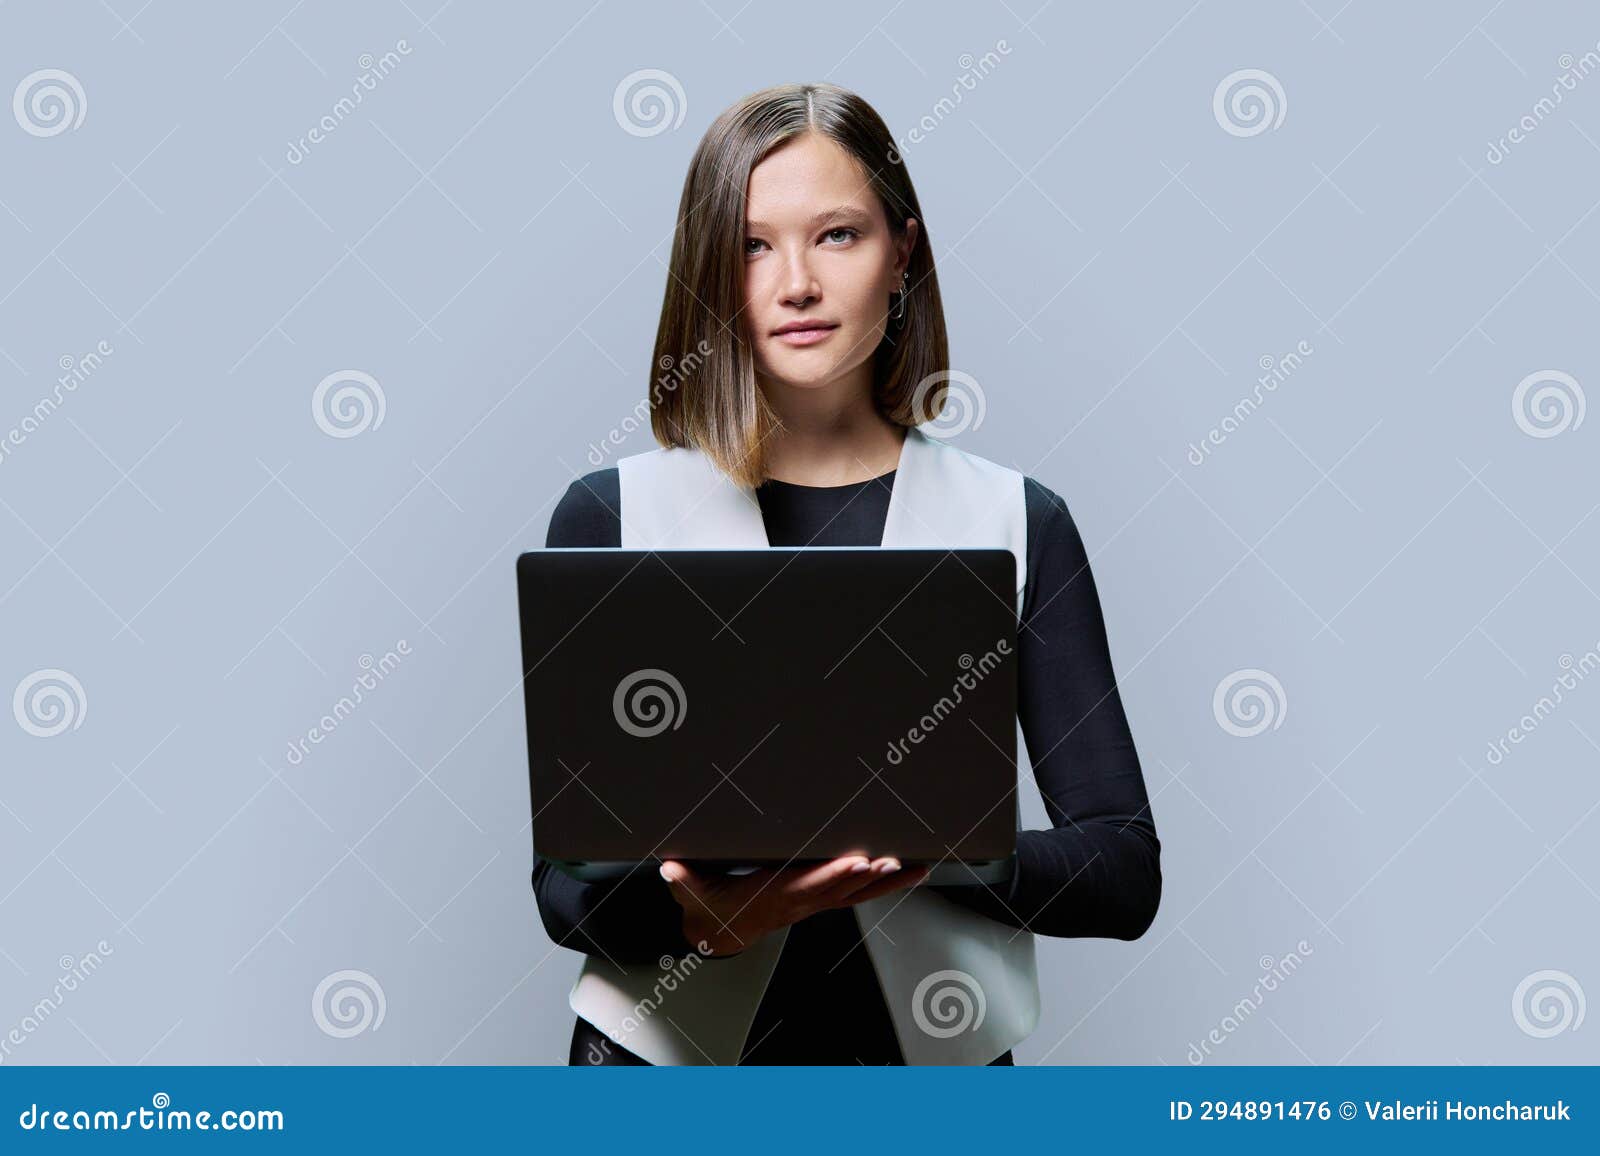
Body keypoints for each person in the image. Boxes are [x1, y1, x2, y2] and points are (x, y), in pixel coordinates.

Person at [535, 81, 1161, 1065]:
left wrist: (917, 849)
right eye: (750, 244)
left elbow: (1122, 870)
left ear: (900, 253)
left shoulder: (1016, 521)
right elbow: (564, 888)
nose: (794, 283)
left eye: (836, 235)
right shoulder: (609, 518)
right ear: (709, 272)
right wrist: (710, 912)